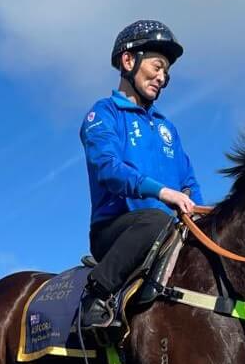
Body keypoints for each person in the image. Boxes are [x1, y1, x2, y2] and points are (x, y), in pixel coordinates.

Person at [78, 20, 203, 331]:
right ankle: (95, 295)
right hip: (117, 231)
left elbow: (189, 182)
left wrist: (202, 216)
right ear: (128, 60)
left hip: (170, 234)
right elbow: (108, 169)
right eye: (157, 66)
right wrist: (163, 193)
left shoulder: (168, 128)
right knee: (154, 220)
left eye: (167, 73)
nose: (162, 77)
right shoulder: (104, 113)